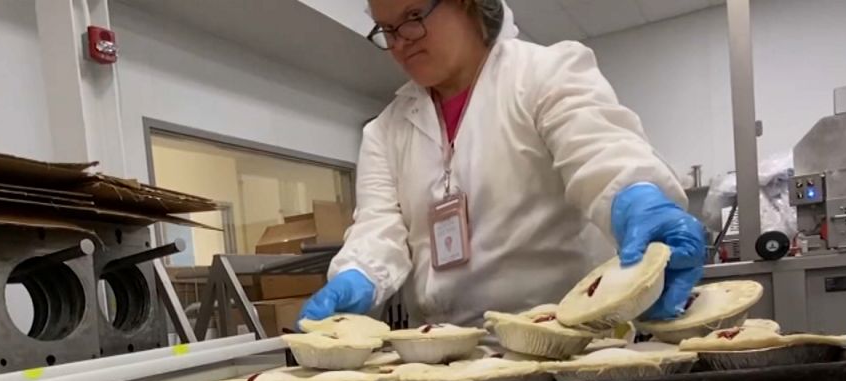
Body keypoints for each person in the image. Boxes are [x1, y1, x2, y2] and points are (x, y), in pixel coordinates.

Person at [300, 0, 706, 327]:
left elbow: (599, 148)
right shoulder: (386, 131)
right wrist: (359, 274)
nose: (400, 42)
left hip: (565, 337)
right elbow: (379, 227)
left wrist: (635, 197)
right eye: (386, 29)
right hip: (446, 351)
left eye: (412, 18)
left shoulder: (544, 74)